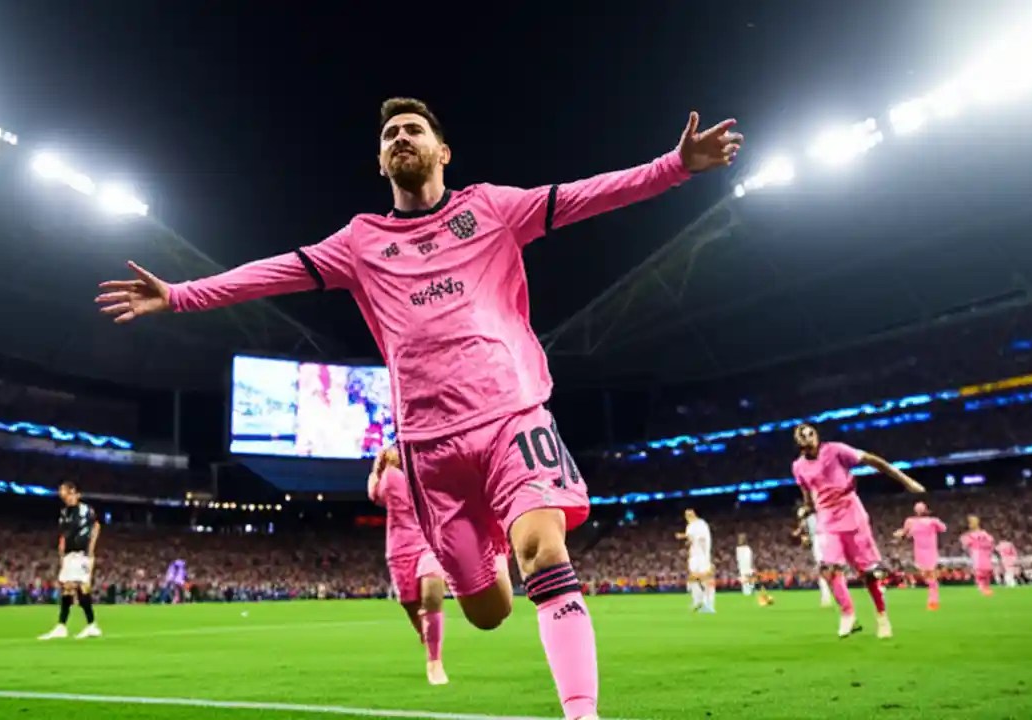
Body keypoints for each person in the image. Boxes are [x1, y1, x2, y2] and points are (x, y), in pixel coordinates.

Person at [97, 97, 741, 719]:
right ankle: (493, 545)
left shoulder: (491, 208)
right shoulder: (360, 242)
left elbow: (585, 196)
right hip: (430, 452)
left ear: (443, 151)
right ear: (381, 162)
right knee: (488, 612)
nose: (400, 137)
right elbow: (273, 272)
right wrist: (180, 295)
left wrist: (675, 166)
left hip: (511, 418)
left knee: (545, 552)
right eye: (389, 135)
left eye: (413, 129)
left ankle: (582, 712)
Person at [790, 423, 925, 639]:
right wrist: (804, 513)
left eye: (811, 433)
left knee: (868, 573)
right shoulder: (798, 467)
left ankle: (882, 616)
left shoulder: (835, 450)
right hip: (827, 518)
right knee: (828, 568)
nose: (808, 438)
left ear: (816, 435)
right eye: (803, 435)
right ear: (798, 442)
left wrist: (906, 481)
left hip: (851, 512)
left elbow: (872, 460)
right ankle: (848, 614)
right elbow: (808, 497)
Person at [368, 446, 454, 685]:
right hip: (400, 548)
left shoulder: (429, 471)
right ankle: (426, 635)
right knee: (408, 601)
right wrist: (377, 469)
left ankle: (434, 661)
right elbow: (374, 495)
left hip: (428, 542)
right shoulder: (391, 477)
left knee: (432, 589)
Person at [38, 481, 102, 640]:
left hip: (81, 554)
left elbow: (96, 527)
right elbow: (63, 534)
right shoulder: (64, 512)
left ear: (73, 492)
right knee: (68, 588)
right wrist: (62, 552)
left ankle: (88, 625)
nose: (62, 494)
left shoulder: (85, 509)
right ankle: (66, 626)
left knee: (80, 586)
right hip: (69, 554)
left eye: (64, 491)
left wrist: (91, 549)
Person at [894, 502, 947, 610]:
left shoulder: (927, 521)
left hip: (927, 551)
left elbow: (903, 534)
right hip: (923, 551)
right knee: (927, 576)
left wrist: (899, 534)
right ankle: (933, 599)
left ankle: (933, 600)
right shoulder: (915, 521)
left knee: (929, 576)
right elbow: (943, 528)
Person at [793, 504, 834, 607]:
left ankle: (826, 597)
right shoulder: (816, 517)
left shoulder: (808, 519)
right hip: (825, 540)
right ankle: (826, 596)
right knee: (824, 569)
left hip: (818, 540)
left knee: (821, 569)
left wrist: (798, 534)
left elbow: (799, 532)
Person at [676, 509, 715, 613]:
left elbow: (699, 537)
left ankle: (709, 604)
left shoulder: (701, 524)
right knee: (692, 578)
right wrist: (688, 542)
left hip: (703, 555)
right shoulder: (690, 526)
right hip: (694, 555)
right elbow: (691, 540)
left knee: (705, 578)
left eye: (688, 515)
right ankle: (697, 601)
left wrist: (682, 536)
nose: (687, 517)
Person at [735, 532, 774, 606]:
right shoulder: (743, 549)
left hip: (746, 571)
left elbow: (747, 561)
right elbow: (744, 561)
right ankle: (766, 598)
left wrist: (750, 569)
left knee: (752, 588)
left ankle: (765, 599)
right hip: (745, 571)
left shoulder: (744, 549)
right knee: (753, 587)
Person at [960, 515, 996, 596]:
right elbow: (965, 544)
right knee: (980, 571)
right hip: (977, 553)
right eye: (971, 522)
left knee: (987, 570)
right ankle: (982, 587)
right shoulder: (969, 535)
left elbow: (991, 542)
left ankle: (985, 586)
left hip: (985, 553)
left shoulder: (984, 534)